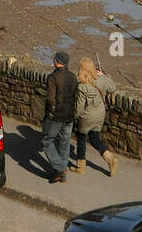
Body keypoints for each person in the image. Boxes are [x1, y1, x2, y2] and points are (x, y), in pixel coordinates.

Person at [71, 57, 119, 176]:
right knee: (94, 139)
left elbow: (79, 107)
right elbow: (113, 87)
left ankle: (80, 167)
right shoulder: (101, 80)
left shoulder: (82, 86)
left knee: (81, 139)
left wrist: (75, 117)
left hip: (87, 116)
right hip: (100, 114)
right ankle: (110, 159)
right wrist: (103, 75)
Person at [42, 51, 78, 184]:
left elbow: (50, 99)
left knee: (47, 141)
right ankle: (61, 174)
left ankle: (60, 168)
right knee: (64, 142)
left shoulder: (53, 77)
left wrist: (49, 114)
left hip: (56, 116)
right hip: (69, 115)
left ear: (57, 62)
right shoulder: (73, 77)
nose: (53, 60)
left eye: (54, 59)